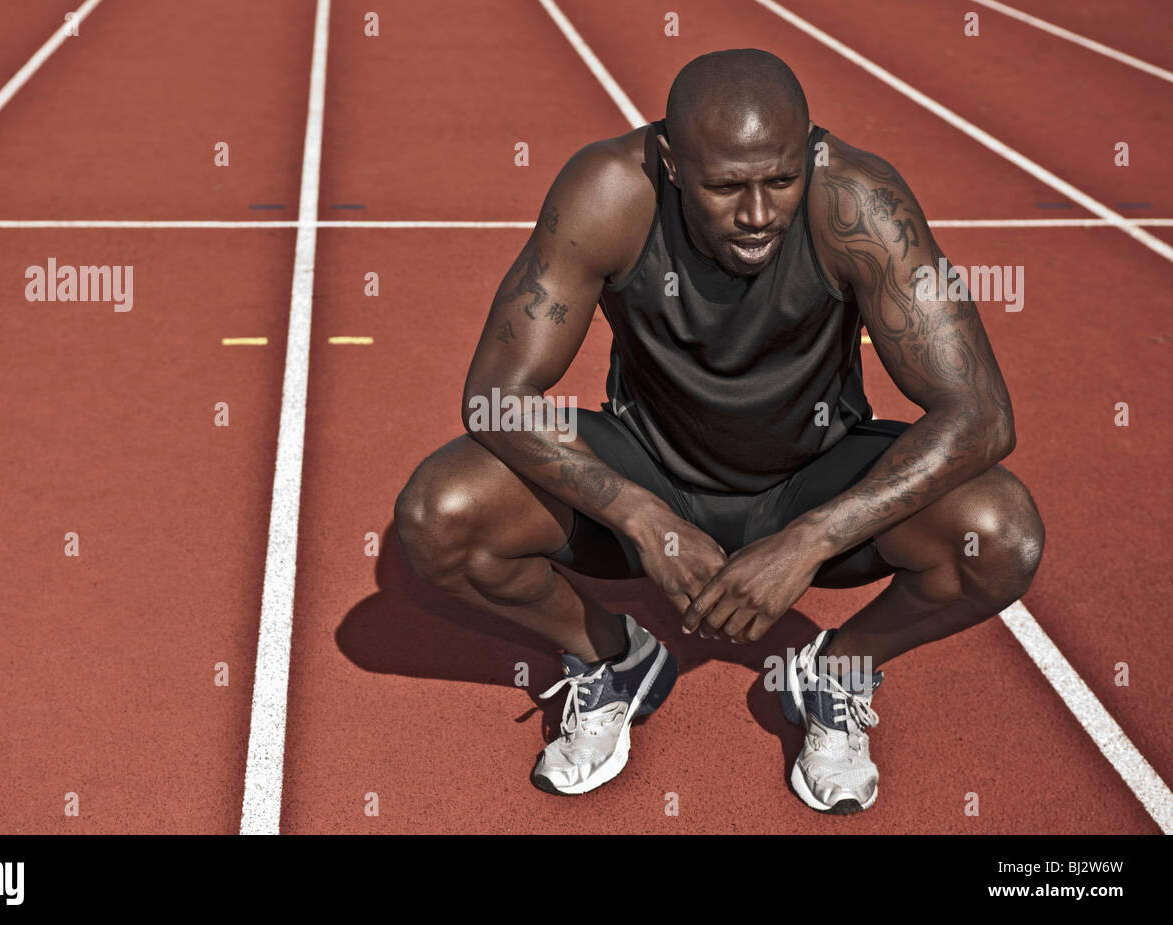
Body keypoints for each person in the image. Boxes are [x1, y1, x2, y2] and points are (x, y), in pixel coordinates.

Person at [394, 48, 1044, 814]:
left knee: (1001, 534)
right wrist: (645, 517)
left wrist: (812, 538)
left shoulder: (859, 204)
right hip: (650, 472)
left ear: (809, 150)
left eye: (780, 179)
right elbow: (496, 396)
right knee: (438, 518)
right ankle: (613, 657)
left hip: (812, 477)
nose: (760, 214)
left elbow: (981, 413)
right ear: (671, 163)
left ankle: (838, 673)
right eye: (727, 187)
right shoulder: (609, 194)